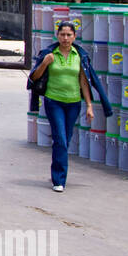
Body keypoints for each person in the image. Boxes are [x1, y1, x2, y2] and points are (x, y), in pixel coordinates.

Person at [28, 22, 111, 192]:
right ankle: (59, 180)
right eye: (62, 35)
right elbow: (34, 77)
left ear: (74, 37)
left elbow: (84, 81)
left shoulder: (79, 55)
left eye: (69, 35)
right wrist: (44, 63)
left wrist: (89, 105)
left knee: (65, 138)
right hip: (54, 101)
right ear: (57, 36)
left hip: (73, 103)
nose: (65, 38)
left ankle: (58, 173)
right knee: (60, 139)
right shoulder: (50, 54)